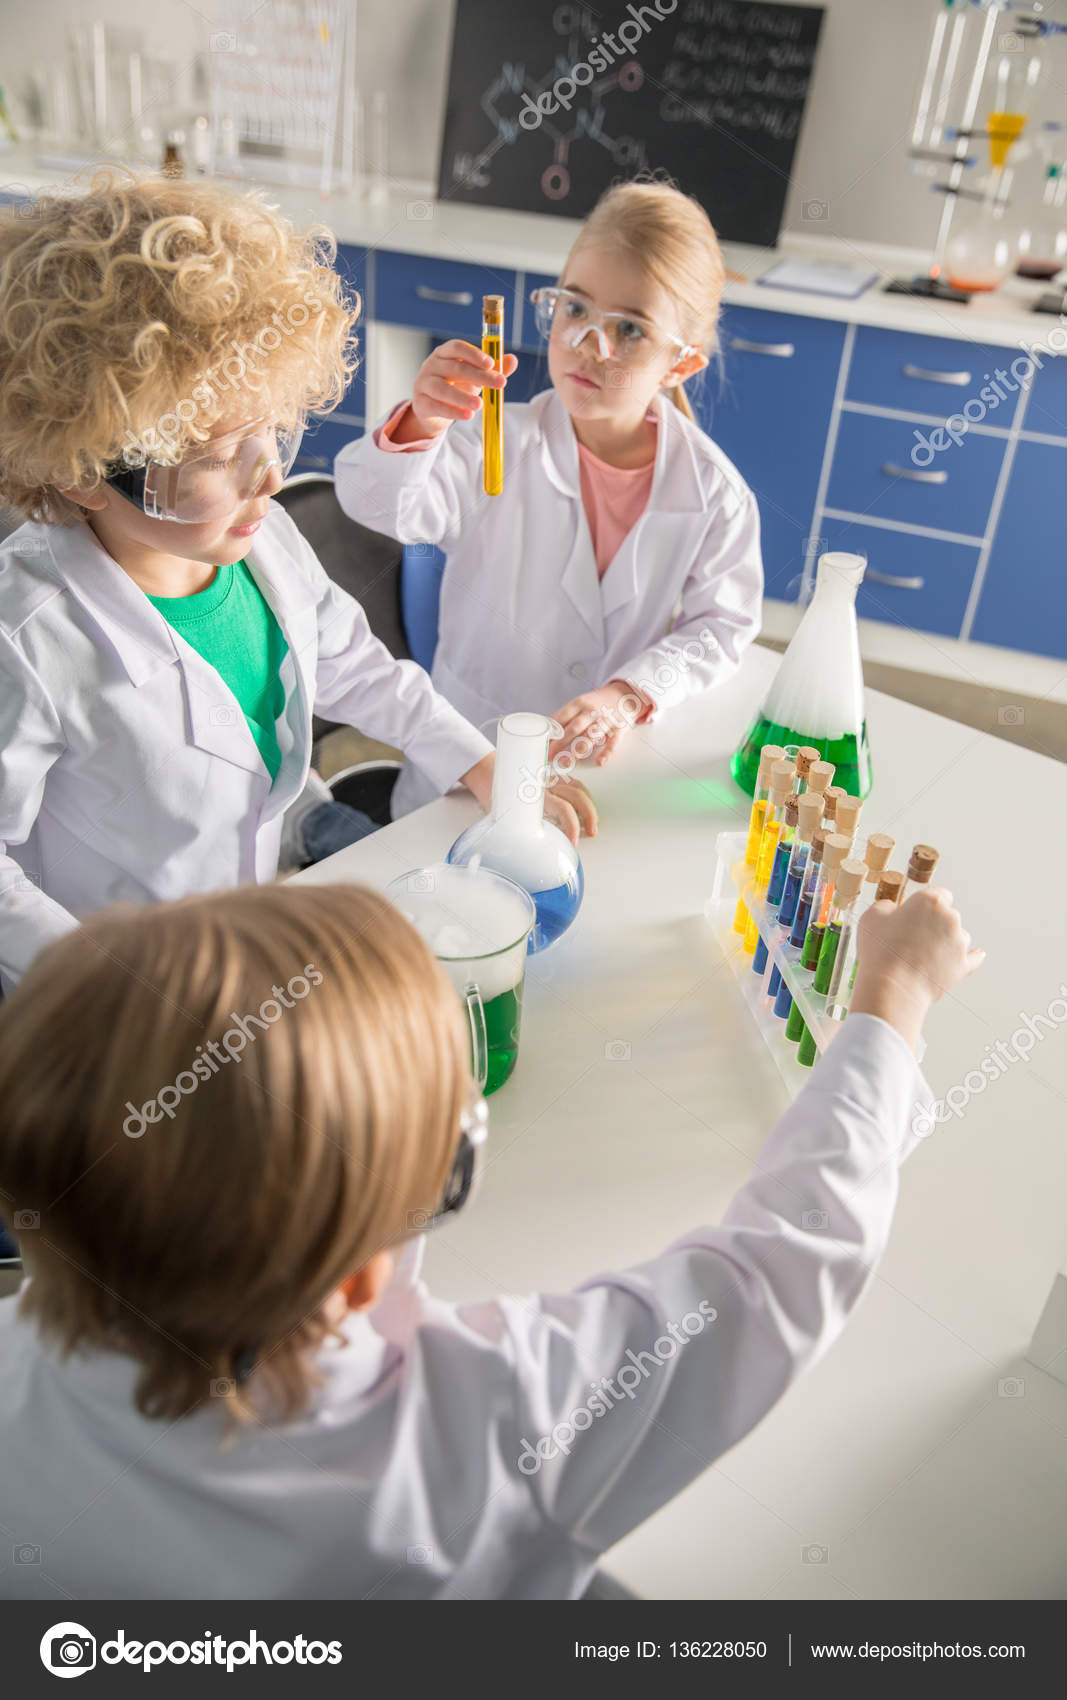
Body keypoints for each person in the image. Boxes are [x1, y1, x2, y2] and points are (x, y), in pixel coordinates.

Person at [0, 879, 981, 1600]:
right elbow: (781, 1267)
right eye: (445, 1161)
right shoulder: (498, 1423)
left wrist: (362, 1176)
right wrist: (889, 999)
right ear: (350, 1282)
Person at [0, 171, 594, 988]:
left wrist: (470, 758)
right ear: (77, 472)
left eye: (273, 428)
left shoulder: (262, 540)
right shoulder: (28, 638)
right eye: (213, 456)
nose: (270, 477)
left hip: (248, 915)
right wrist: (103, 985)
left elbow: (353, 664)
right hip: (112, 992)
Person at [334, 179, 763, 816]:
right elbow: (376, 504)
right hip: (464, 773)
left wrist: (626, 694)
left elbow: (721, 628)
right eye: (576, 309)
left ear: (681, 364)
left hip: (598, 774)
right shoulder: (494, 440)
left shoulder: (713, 493)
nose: (590, 344)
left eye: (630, 329)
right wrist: (421, 422)